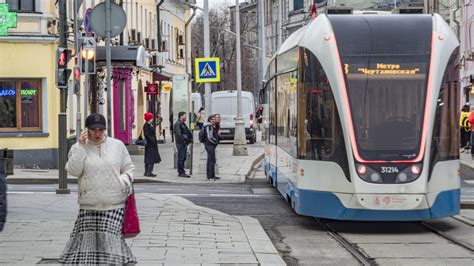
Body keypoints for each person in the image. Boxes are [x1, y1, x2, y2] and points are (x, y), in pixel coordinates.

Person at [59, 113, 136, 265]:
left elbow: (129, 168)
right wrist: (81, 146)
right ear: (86, 130)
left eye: (101, 129)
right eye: (94, 130)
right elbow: (73, 171)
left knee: (111, 244)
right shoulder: (78, 147)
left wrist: (122, 182)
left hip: (114, 203)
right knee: (88, 247)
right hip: (89, 204)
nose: (97, 133)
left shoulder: (117, 145)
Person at [173, 111, 193, 177]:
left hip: (183, 143)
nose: (186, 117)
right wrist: (184, 140)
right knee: (181, 157)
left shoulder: (182, 123)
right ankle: (181, 172)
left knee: (183, 157)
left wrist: (189, 139)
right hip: (180, 143)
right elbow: (179, 134)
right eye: (184, 116)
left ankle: (181, 171)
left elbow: (186, 132)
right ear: (181, 116)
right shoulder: (177, 124)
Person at [143, 112, 161, 177]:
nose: (152, 119)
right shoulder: (146, 125)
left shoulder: (150, 125)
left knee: (149, 158)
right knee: (150, 158)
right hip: (150, 144)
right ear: (148, 119)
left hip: (152, 144)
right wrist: (152, 140)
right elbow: (146, 134)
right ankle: (149, 172)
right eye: (151, 118)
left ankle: (147, 172)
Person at [203, 115, 221, 180]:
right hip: (209, 145)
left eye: (214, 119)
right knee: (211, 160)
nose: (214, 120)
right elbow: (209, 137)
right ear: (209, 120)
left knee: (211, 160)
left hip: (210, 145)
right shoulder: (209, 126)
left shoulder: (210, 126)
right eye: (212, 119)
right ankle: (210, 176)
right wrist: (215, 142)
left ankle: (212, 175)